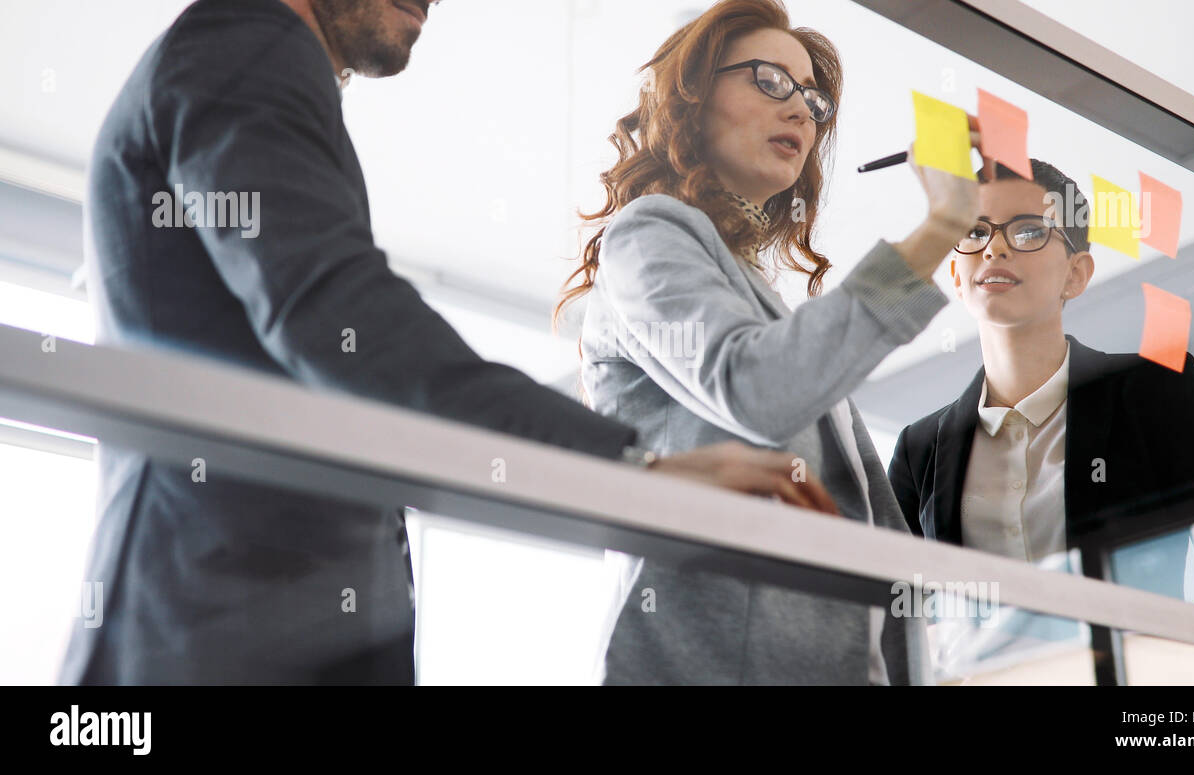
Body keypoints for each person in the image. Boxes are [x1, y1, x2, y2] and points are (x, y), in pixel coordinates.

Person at [62, 0, 840, 685]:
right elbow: (341, 319)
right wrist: (631, 473)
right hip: (209, 636)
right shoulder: (245, 49)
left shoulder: (254, 63)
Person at [556, 0, 983, 685]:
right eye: (769, 79)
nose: (801, 112)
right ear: (691, 99)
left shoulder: (765, 302)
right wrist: (939, 229)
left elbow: (874, 539)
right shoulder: (645, 234)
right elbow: (758, 390)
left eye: (811, 99)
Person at [886, 159, 1194, 662]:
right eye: (974, 231)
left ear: (1075, 275)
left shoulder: (1155, 390)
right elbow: (894, 627)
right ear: (955, 272)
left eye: (1029, 230)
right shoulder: (919, 448)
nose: (995, 247)